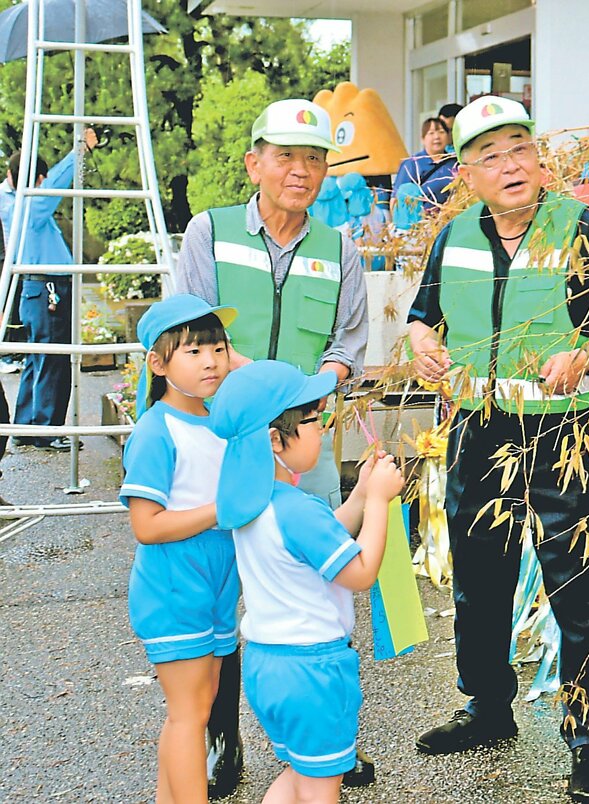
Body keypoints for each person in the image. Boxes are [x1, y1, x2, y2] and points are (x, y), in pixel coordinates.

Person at [408, 95, 589, 801]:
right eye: (492, 155)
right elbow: (422, 315)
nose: (511, 165)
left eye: (520, 149)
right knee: (479, 576)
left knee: (579, 587)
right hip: (479, 427)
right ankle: (487, 707)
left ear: (539, 158)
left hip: (564, 431)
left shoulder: (581, 227)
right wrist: (423, 344)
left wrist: (586, 356)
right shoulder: (456, 238)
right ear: (467, 173)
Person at [173, 98, 371, 793]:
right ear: (255, 162)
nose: (301, 170)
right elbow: (188, 339)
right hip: (223, 442)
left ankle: (324, 742)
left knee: (320, 571)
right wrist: (247, 389)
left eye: (314, 158)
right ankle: (224, 740)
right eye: (285, 156)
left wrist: (320, 386)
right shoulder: (211, 232)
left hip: (304, 441)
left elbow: (350, 343)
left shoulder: (340, 248)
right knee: (225, 591)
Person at [209, 360, 405, 804]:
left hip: (268, 665)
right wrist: (377, 502)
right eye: (315, 418)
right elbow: (360, 572)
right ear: (276, 439)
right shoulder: (300, 510)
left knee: (300, 777)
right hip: (313, 671)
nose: (323, 426)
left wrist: (358, 495)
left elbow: (318, 543)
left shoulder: (257, 503)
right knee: (321, 790)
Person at [119, 294, 239, 803]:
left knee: (201, 706)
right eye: (193, 351)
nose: (210, 360)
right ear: (159, 363)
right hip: (174, 583)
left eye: (217, 347)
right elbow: (146, 526)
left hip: (217, 581)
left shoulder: (221, 421)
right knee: (188, 714)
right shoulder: (154, 431)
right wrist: (222, 508)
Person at [0, 127, 99, 451]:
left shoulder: (11, 203)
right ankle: (45, 429)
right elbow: (55, 185)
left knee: (37, 359)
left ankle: (26, 425)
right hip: (48, 288)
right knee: (52, 360)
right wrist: (78, 151)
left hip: (38, 289)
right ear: (36, 179)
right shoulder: (29, 206)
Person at [392, 117, 457, 212]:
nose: (437, 137)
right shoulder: (412, 164)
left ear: (448, 136)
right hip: (422, 222)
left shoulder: (454, 163)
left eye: (441, 132)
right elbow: (396, 200)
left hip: (449, 219)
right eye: (431, 133)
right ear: (423, 139)